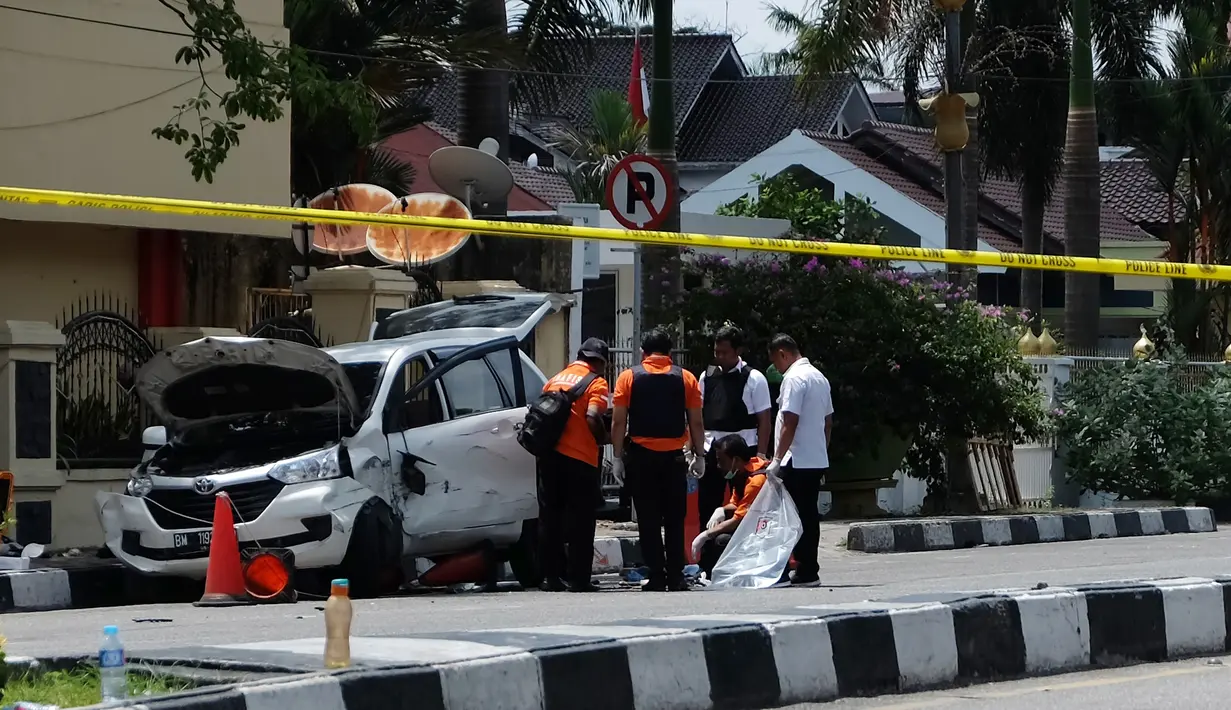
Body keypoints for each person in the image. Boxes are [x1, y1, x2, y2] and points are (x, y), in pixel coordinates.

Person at [611, 327, 706, 592]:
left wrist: (617, 457)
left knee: (648, 519)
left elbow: (619, 421)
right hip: (674, 460)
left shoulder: (628, 377)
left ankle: (656, 575)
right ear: (671, 353)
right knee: (675, 518)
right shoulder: (686, 378)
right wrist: (700, 455)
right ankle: (675, 576)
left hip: (641, 459)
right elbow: (696, 422)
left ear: (643, 353)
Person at [537, 337, 610, 593]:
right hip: (579, 460)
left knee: (550, 519)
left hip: (548, 457)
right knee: (581, 522)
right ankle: (579, 580)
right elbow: (592, 416)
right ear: (600, 362)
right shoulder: (596, 382)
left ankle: (550, 578)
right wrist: (604, 439)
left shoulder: (555, 379)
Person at [766, 333, 833, 587]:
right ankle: (808, 568)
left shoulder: (794, 378)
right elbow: (828, 422)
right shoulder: (819, 377)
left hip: (794, 459)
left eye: (776, 361)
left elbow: (789, 421)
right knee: (808, 515)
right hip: (814, 458)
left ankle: (787, 569)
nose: (777, 368)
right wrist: (821, 451)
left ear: (783, 353)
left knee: (787, 516)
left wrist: (777, 458)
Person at [698, 324, 772, 522]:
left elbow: (764, 419)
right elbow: (697, 415)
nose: (720, 356)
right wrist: (694, 451)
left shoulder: (754, 378)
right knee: (707, 507)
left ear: (738, 351)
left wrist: (761, 456)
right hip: (711, 450)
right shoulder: (707, 377)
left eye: (725, 352)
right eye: (716, 352)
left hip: (743, 452)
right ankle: (707, 551)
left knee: (743, 509)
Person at [690, 434, 770, 578]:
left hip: (767, 533)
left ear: (736, 460)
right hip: (755, 526)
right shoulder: (741, 474)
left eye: (721, 461)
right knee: (718, 532)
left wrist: (705, 535)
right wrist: (722, 510)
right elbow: (736, 504)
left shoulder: (756, 481)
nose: (719, 466)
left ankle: (737, 575)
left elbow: (739, 520)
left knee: (721, 540)